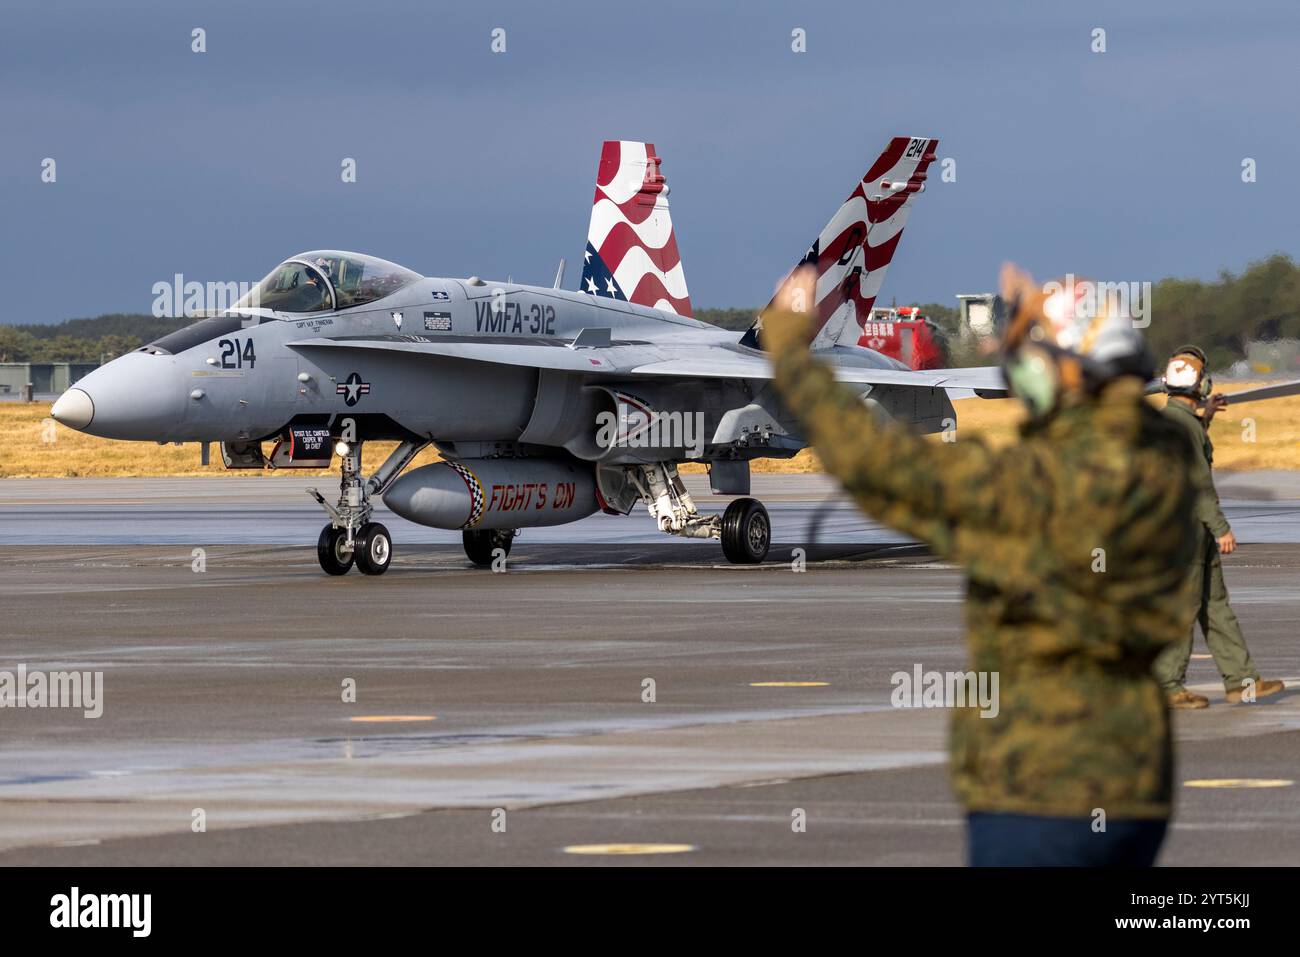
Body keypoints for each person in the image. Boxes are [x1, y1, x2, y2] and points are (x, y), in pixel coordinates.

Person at [762, 265, 1199, 866]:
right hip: (1136, 780)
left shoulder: (1040, 483)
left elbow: (880, 466)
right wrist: (1052, 323)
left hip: (1042, 787)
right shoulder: (1166, 462)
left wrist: (788, 349)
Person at [1153, 345, 1285, 708]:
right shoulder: (1183, 426)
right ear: (1201, 383)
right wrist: (1221, 527)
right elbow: (1197, 482)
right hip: (1186, 531)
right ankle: (1168, 684)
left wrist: (1205, 415)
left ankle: (1243, 681)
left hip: (1190, 532)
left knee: (1215, 606)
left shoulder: (1176, 421)